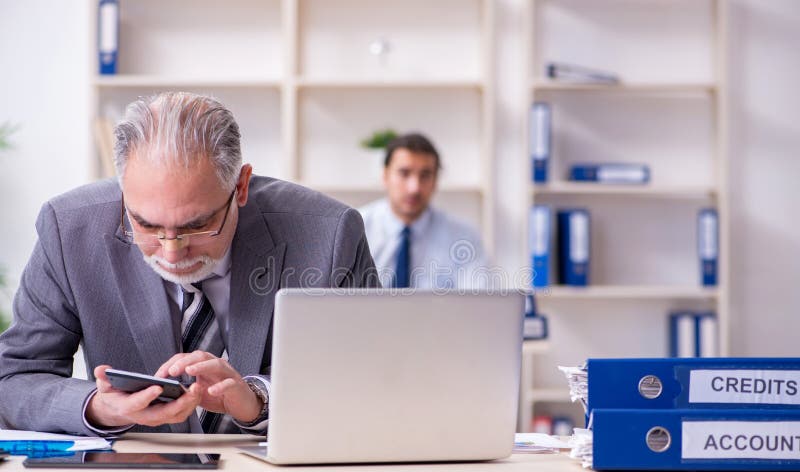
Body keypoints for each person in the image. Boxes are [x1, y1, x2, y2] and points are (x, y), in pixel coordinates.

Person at [0, 92, 378, 436]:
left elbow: (370, 377)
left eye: (197, 225)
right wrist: (98, 408)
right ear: (123, 187)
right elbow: (16, 378)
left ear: (240, 187)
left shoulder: (330, 234)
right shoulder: (68, 230)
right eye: (146, 224)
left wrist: (262, 399)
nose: (171, 252)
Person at [359, 133, 488, 289]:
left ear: (435, 181)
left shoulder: (464, 238)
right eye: (404, 173)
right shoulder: (356, 230)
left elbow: (478, 304)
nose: (415, 188)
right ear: (385, 176)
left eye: (425, 175)